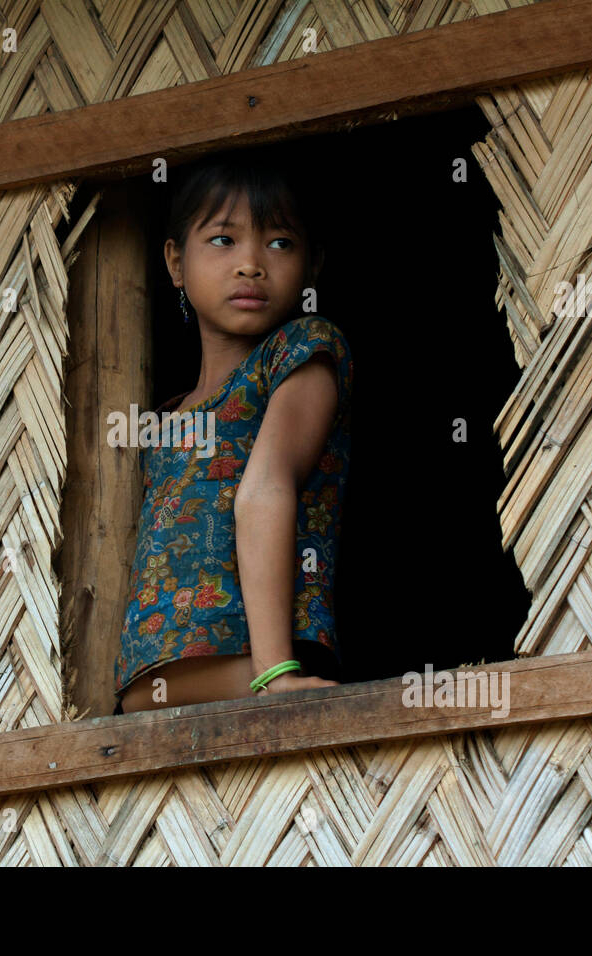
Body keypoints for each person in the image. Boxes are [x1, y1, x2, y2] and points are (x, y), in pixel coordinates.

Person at [115, 151, 354, 714]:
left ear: (312, 264)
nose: (251, 264)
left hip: (261, 666)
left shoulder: (302, 353)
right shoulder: (164, 420)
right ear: (175, 261)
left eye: (279, 243)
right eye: (223, 240)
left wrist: (273, 674)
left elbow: (265, 489)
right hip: (149, 688)